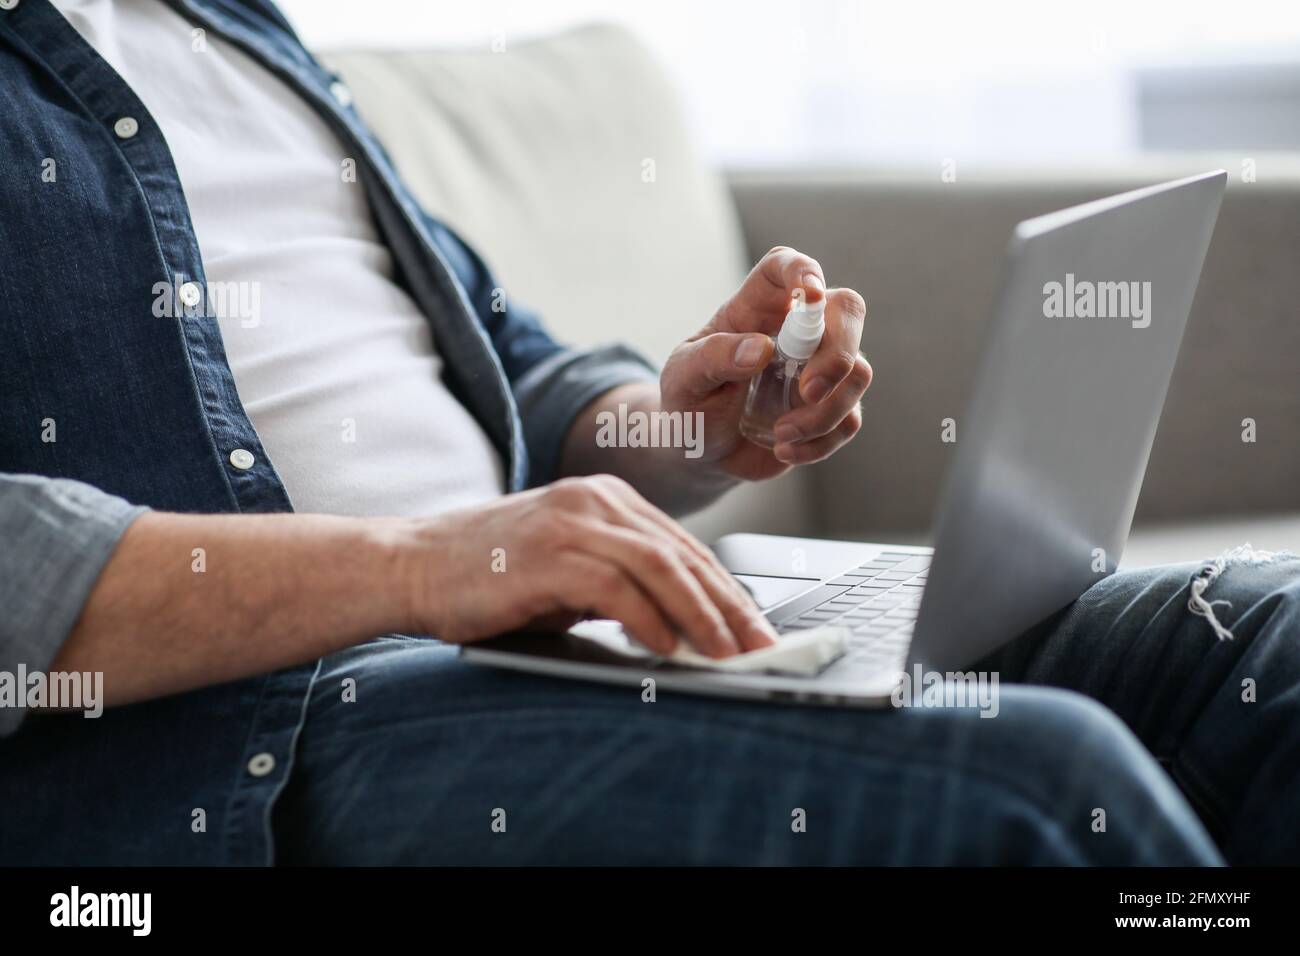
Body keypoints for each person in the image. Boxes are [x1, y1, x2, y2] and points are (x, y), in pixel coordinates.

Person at [0, 0, 1293, 865]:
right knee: (1033, 778)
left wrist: (691, 427)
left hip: (537, 637)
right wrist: (428, 562)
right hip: (256, 726)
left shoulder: (228, 32)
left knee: (1268, 641)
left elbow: (518, 373)